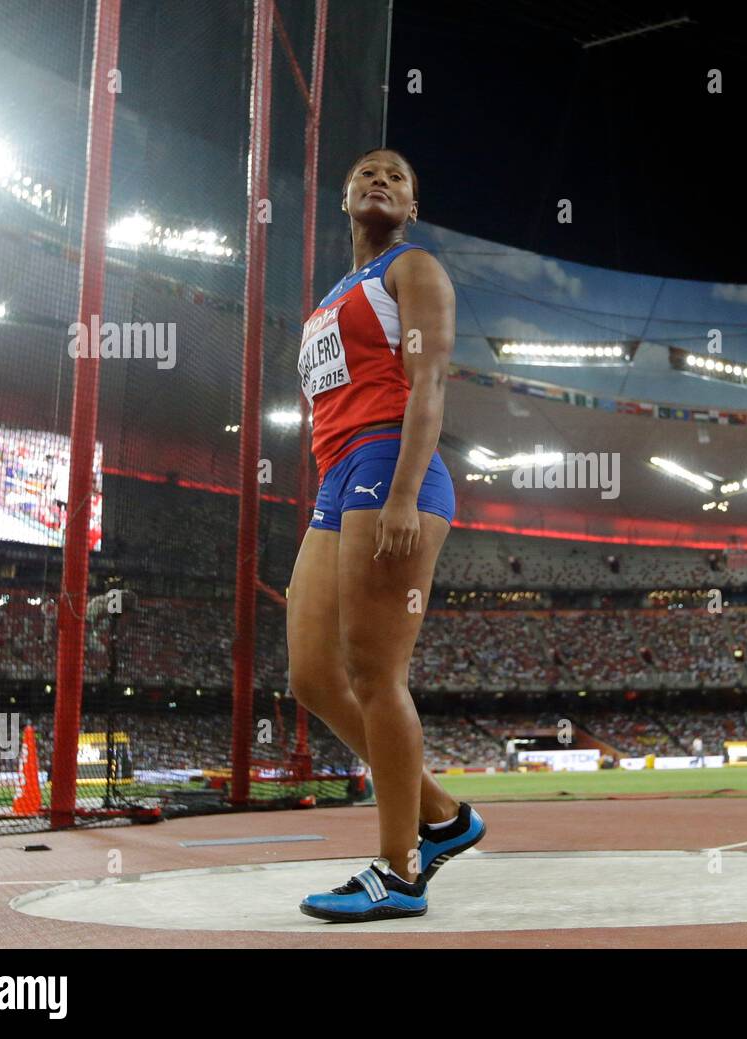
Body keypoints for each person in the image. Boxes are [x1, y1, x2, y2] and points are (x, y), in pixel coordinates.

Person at [288, 148, 484, 923]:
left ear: (411, 206)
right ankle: (442, 815)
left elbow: (428, 382)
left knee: (375, 671)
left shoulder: (416, 270)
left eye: (398, 176)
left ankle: (401, 869)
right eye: (367, 172)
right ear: (344, 197)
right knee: (310, 676)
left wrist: (403, 489)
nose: (381, 180)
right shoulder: (324, 303)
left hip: (390, 460)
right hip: (336, 475)